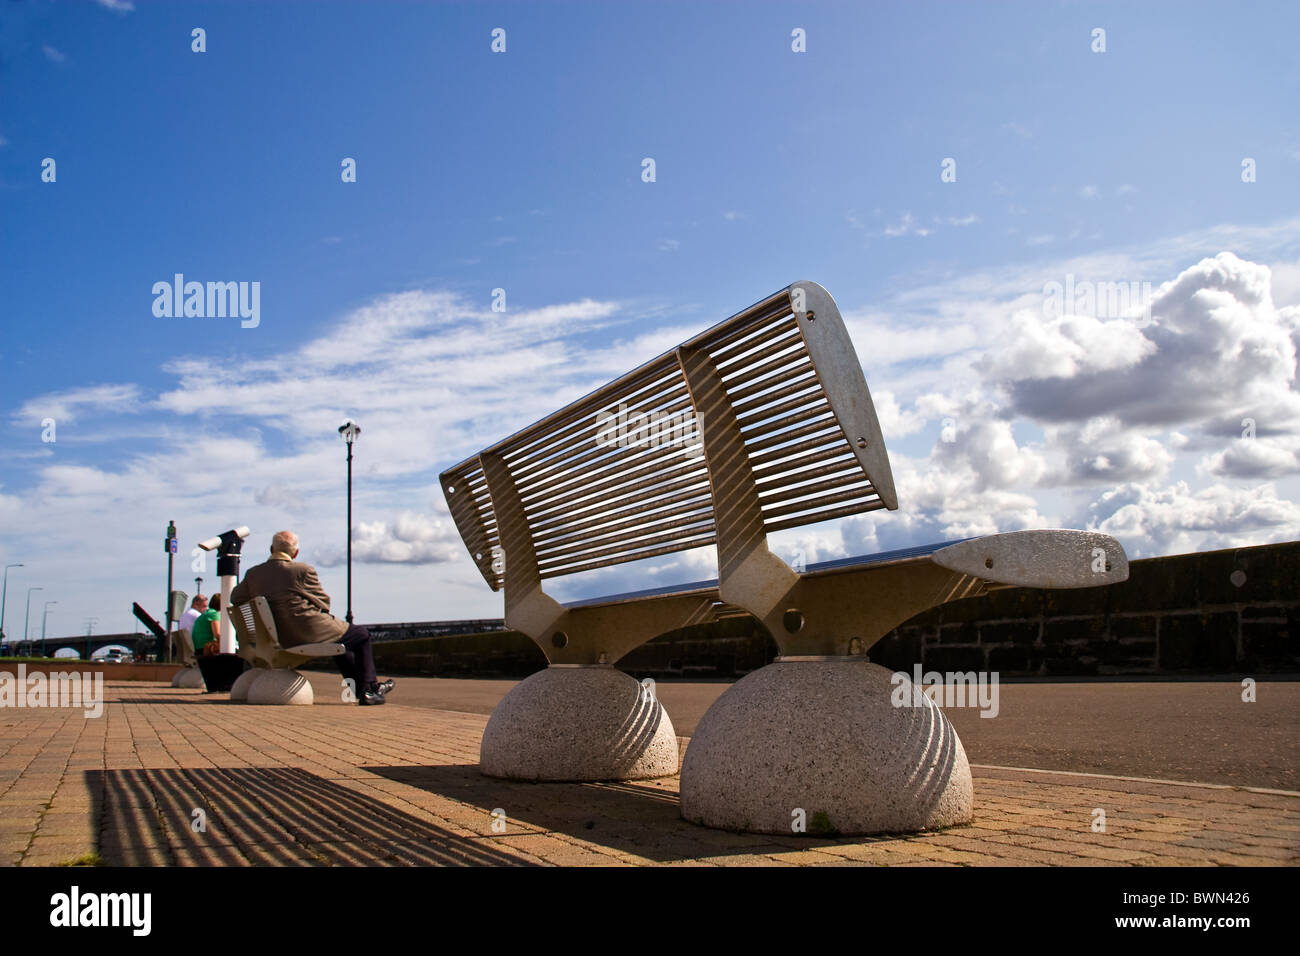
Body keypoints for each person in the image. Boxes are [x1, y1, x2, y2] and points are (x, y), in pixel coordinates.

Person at [231, 530, 393, 706]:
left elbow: (236, 598)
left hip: (272, 637)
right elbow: (324, 603)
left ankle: (363, 690)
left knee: (341, 644)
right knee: (361, 635)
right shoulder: (302, 570)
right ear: (296, 552)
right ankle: (369, 689)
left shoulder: (253, 574)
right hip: (304, 633)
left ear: (272, 549)